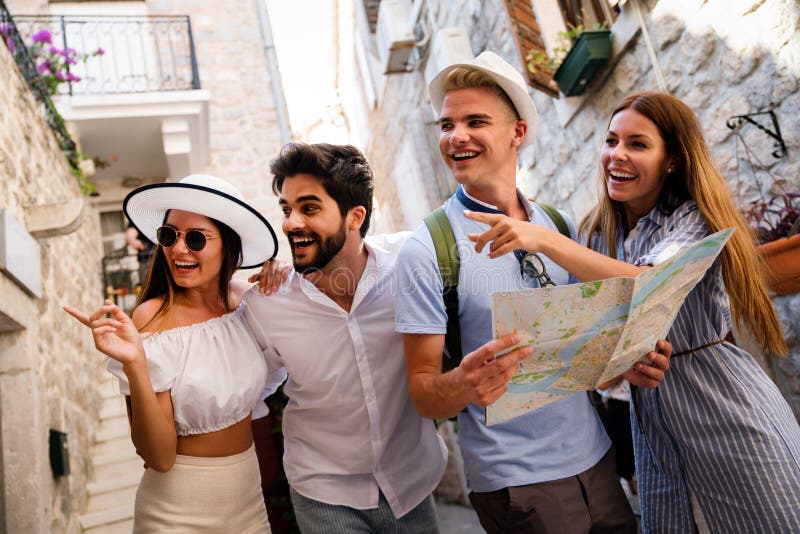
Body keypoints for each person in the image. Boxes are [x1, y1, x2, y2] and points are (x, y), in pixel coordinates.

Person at [464, 91, 800, 532]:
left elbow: (645, 283)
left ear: (672, 161)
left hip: (724, 406)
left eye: (637, 144)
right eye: (610, 141)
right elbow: (601, 352)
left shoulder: (693, 217)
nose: (616, 155)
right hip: (655, 427)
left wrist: (543, 239)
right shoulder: (596, 234)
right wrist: (624, 366)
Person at [394, 51, 672, 534]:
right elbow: (424, 395)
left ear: (517, 133)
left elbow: (585, 352)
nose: (455, 136)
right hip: (517, 484)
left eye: (475, 121)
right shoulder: (425, 250)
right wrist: (462, 383)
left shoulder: (556, 224)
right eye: (446, 125)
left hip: (597, 458)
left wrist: (626, 359)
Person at [243, 142, 449, 534]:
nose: (289, 223)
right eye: (287, 210)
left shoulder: (409, 261)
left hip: (412, 485)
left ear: (355, 216)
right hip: (324, 495)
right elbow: (252, 395)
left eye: (309, 208)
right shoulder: (269, 304)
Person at [64, 174, 282, 533]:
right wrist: (134, 365)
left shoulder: (248, 303)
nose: (179, 249)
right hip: (176, 512)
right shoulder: (151, 317)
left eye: (195, 238)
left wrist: (284, 281)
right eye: (169, 235)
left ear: (228, 244)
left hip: (249, 501)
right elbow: (159, 456)